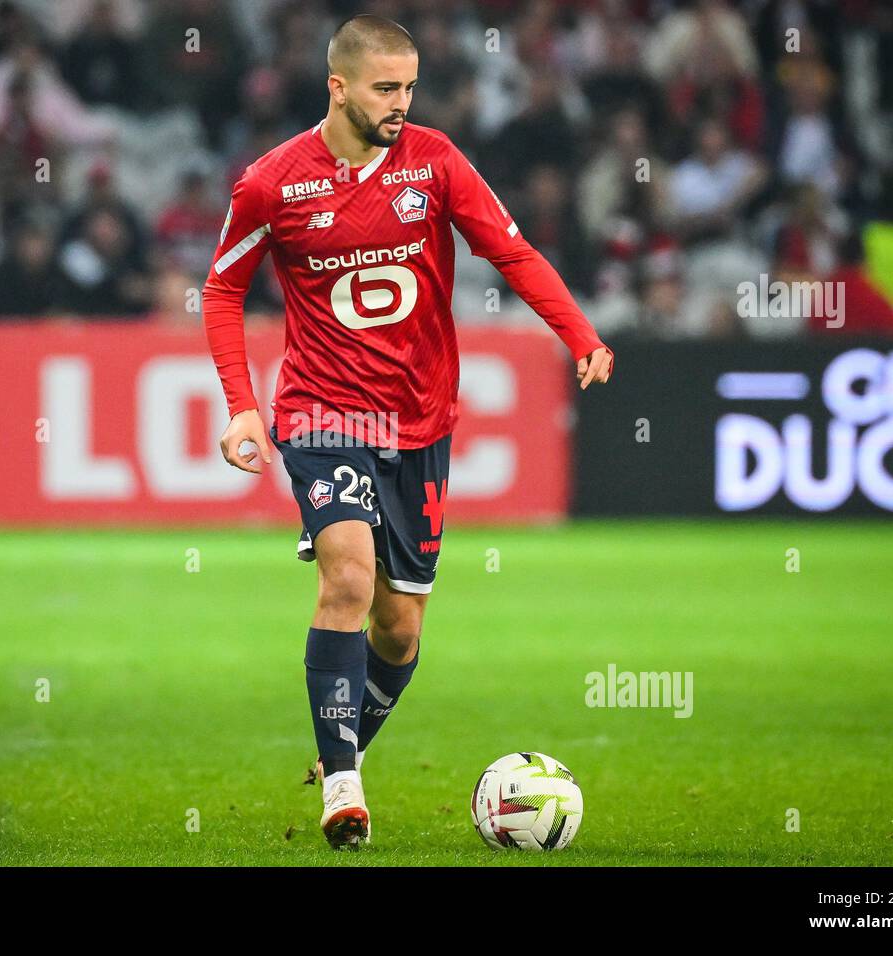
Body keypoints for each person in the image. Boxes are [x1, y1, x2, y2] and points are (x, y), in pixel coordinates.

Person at [201, 15, 613, 850]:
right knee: (347, 579)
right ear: (338, 86)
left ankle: (341, 747)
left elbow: (514, 251)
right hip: (320, 412)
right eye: (385, 89)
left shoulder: (435, 160)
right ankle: (344, 792)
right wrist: (243, 404)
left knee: (399, 629)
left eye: (409, 88)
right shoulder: (272, 183)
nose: (401, 103)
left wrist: (580, 335)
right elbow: (220, 290)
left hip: (420, 421)